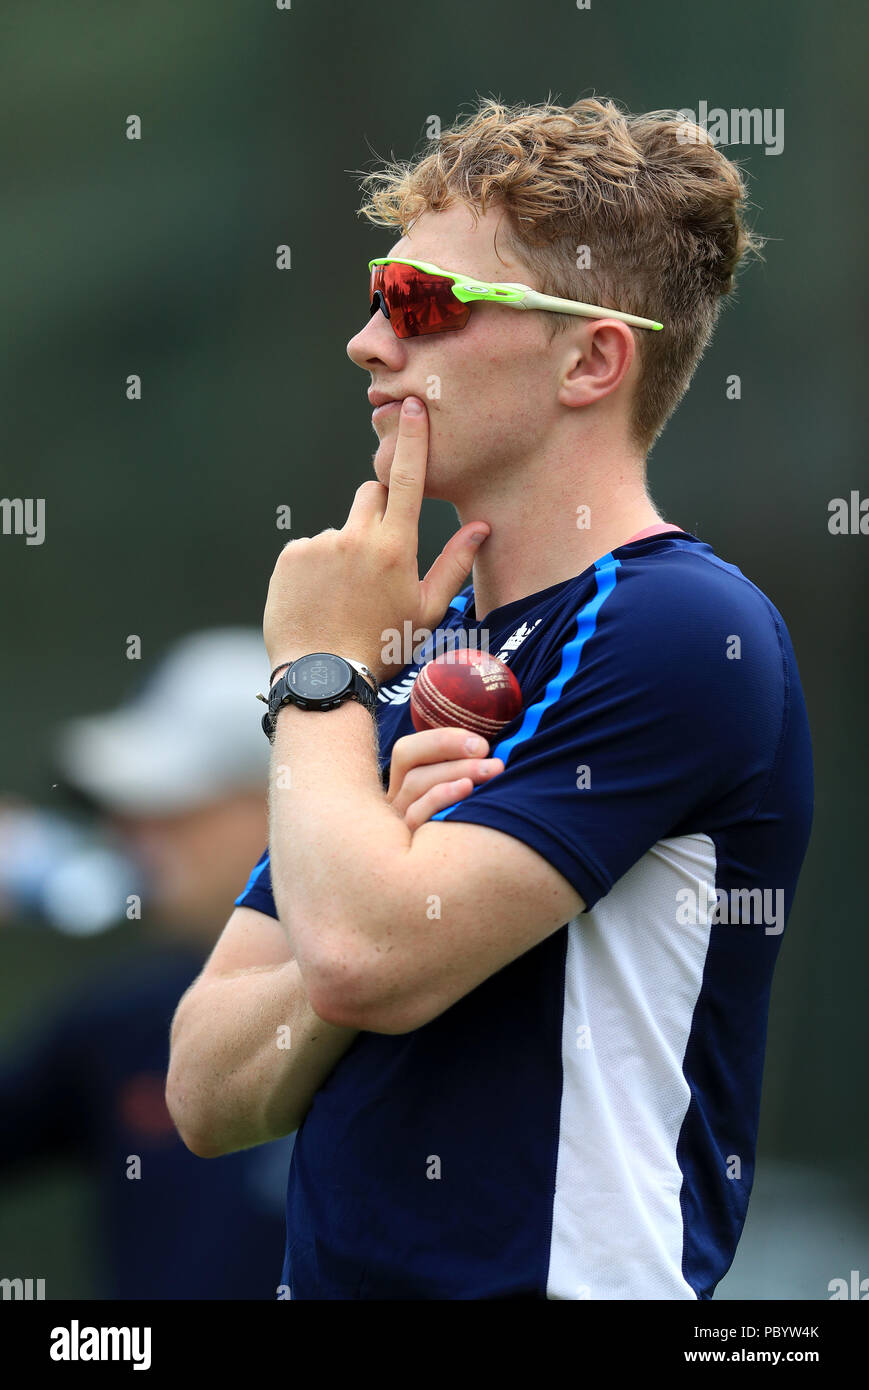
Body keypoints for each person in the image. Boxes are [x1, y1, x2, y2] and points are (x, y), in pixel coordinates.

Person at [166, 98, 814, 1300]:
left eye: (422, 306)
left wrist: (314, 679)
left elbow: (359, 954)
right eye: (376, 296)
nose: (368, 341)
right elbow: (206, 1087)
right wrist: (378, 851)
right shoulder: (400, 658)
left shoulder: (676, 628)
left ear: (590, 358)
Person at [0, 629, 290, 1299]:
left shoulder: (414, 992)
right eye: (130, 813)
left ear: (279, 798)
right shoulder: (121, 1021)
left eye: (171, 807)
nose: (132, 834)